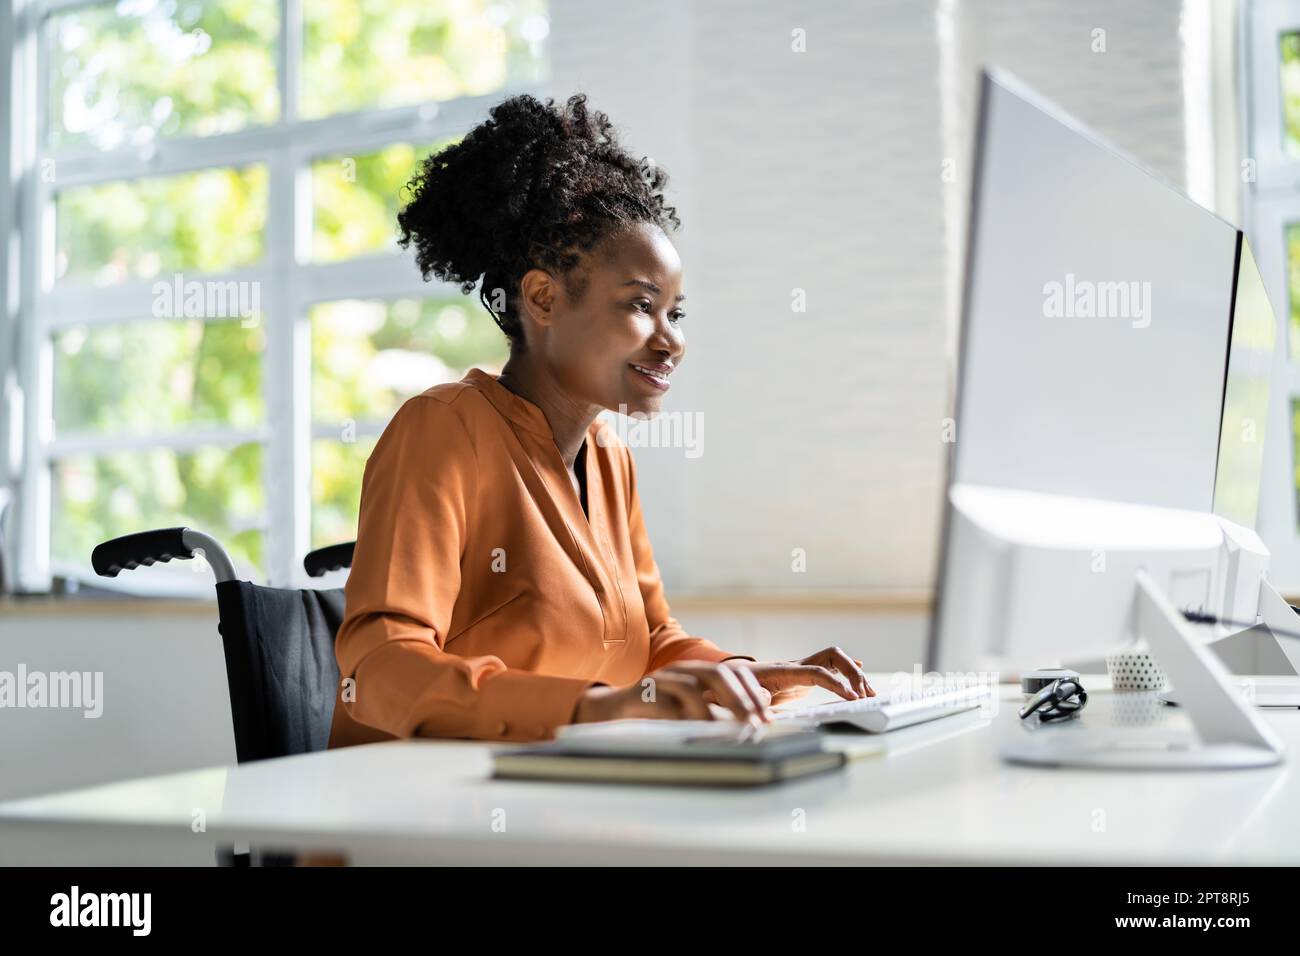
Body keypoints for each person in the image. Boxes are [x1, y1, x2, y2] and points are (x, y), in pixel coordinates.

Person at [328, 93, 872, 747]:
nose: (671, 340)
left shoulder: (610, 459)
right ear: (543, 298)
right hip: (414, 821)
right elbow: (381, 667)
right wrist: (594, 708)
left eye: (676, 313)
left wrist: (745, 675)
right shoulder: (442, 431)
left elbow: (652, 642)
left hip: (559, 802)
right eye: (642, 306)